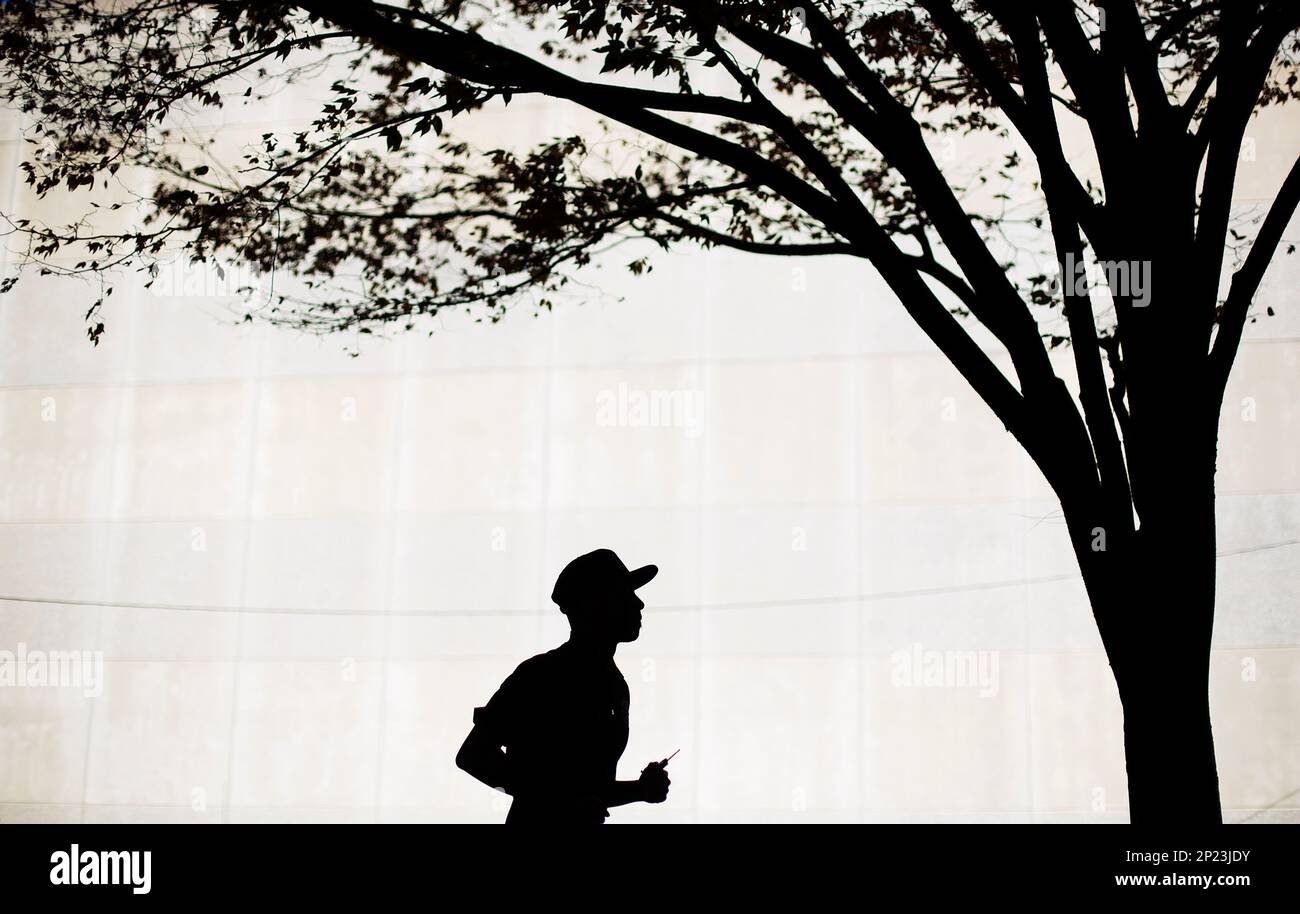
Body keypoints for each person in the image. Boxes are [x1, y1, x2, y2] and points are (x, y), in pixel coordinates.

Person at [455, 548, 671, 824]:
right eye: (624, 594)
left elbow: (590, 791)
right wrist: (558, 801)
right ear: (596, 605)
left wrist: (640, 790)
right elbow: (473, 756)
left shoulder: (616, 687)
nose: (638, 604)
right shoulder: (540, 675)